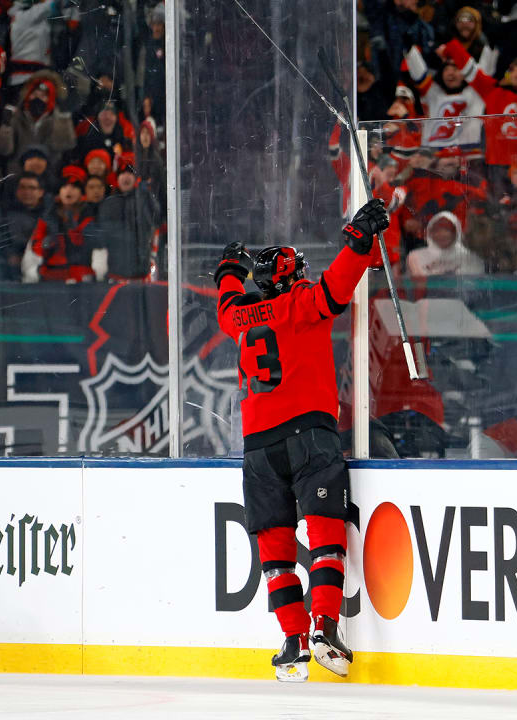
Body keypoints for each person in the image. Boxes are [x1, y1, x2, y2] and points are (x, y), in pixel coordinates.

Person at [214, 197, 390, 682]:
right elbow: (337, 286)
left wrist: (229, 266)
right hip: (308, 434)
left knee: (273, 545)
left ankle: (291, 639)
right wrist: (359, 239)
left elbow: (227, 296)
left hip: (257, 446)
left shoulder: (238, 318)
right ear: (292, 277)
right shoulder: (303, 304)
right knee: (326, 534)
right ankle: (324, 627)